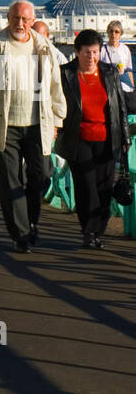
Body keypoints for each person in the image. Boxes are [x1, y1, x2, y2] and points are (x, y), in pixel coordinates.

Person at [0, 0, 66, 253]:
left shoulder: (44, 46)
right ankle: (21, 234)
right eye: (15, 18)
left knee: (41, 176)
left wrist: (57, 119)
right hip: (6, 125)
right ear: (8, 18)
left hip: (38, 124)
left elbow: (56, 85)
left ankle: (31, 221)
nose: (20, 24)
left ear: (32, 21)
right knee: (10, 181)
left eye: (25, 19)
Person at [56, 29, 131, 249]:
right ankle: (88, 232)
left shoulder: (109, 73)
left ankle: (100, 230)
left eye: (96, 52)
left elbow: (121, 108)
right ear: (77, 52)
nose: (92, 57)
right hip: (78, 138)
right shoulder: (65, 74)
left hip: (107, 139)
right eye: (87, 52)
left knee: (104, 187)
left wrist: (126, 137)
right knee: (86, 186)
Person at [100, 21, 135, 108]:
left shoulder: (125, 49)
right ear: (107, 32)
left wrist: (132, 87)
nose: (113, 34)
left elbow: (129, 70)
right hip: (108, 86)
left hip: (124, 86)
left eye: (117, 32)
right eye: (111, 31)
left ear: (120, 34)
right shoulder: (102, 50)